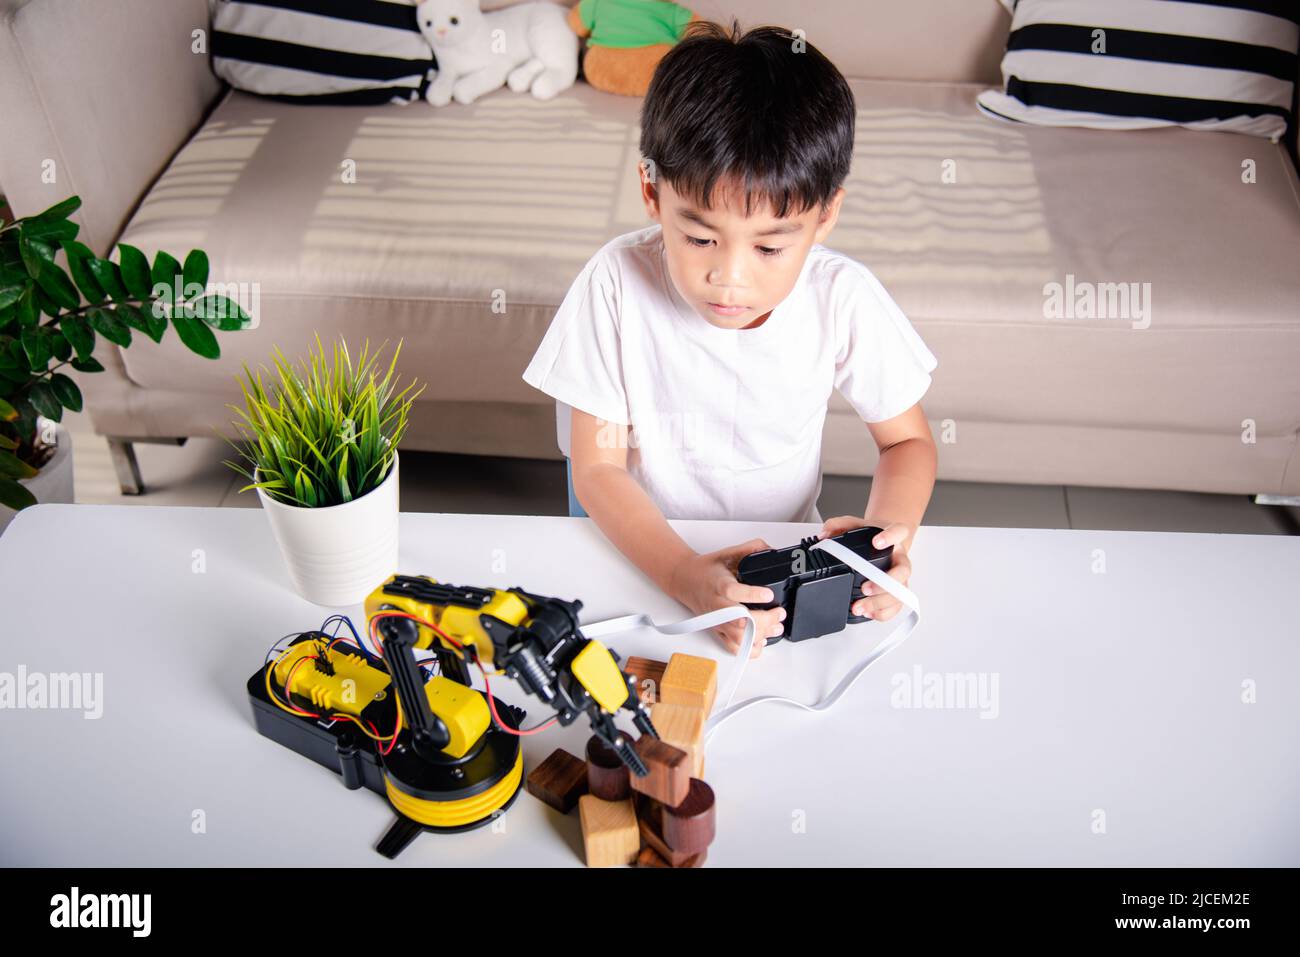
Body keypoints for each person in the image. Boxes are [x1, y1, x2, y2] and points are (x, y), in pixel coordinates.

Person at [523, 20, 937, 657]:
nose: (729, 277)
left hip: (772, 560)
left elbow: (907, 440)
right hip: (641, 552)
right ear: (651, 192)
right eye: (698, 238)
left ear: (825, 216)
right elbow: (598, 469)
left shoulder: (841, 296)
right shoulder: (615, 282)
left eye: (770, 246)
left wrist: (889, 539)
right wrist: (683, 575)